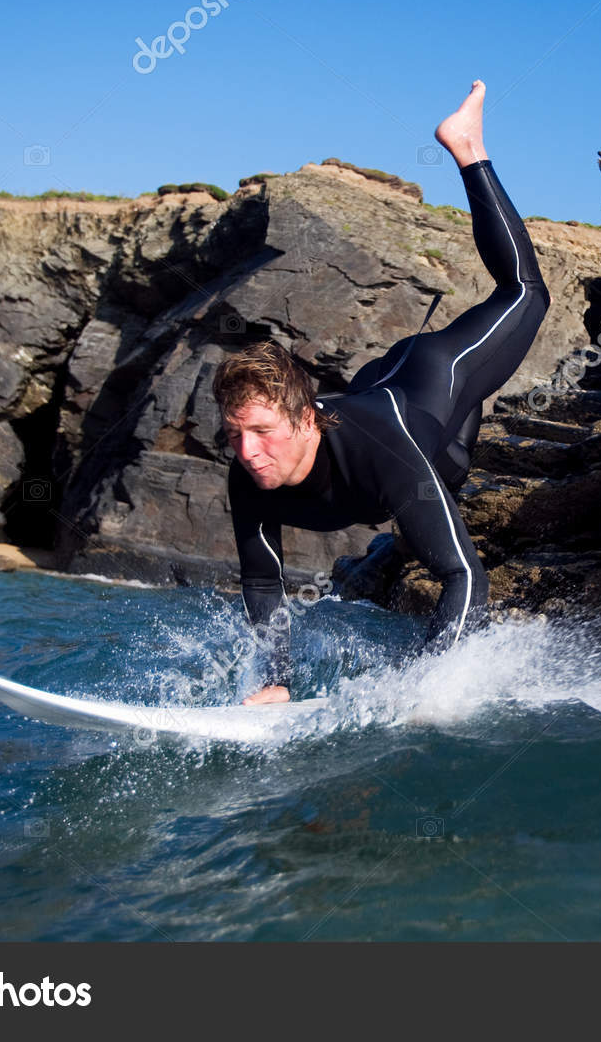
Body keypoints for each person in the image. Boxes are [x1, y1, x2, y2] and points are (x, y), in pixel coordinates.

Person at [213, 80, 549, 704]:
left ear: (307, 419)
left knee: (526, 294)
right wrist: (272, 682)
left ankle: (468, 146)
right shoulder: (247, 472)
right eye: (235, 435)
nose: (249, 451)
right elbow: (264, 586)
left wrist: (421, 688)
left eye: (262, 431)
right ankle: (403, 537)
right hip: (376, 391)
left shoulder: (385, 452)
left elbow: (465, 579)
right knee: (428, 497)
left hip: (431, 381)